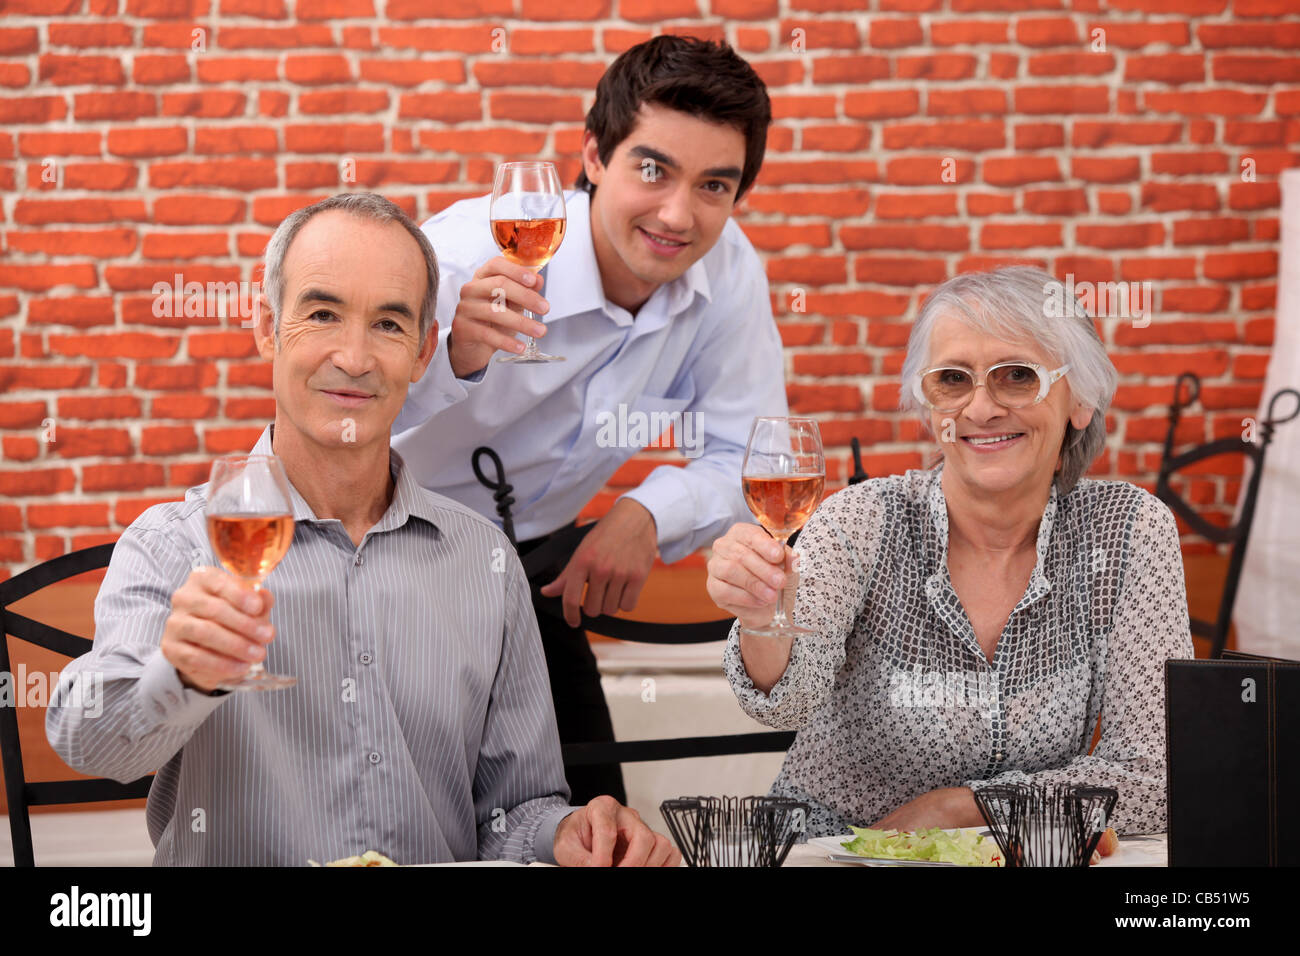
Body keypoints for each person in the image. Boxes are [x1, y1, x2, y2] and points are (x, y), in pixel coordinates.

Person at [45, 193, 679, 867]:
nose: (354, 356)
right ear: (267, 327)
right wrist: (179, 676)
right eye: (322, 314)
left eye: (388, 324)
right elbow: (90, 746)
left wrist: (565, 835)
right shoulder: (174, 544)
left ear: (422, 351)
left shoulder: (483, 560)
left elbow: (513, 810)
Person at [391, 36, 788, 804]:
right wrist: (456, 358)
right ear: (595, 156)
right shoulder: (468, 251)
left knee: (597, 819)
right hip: (388, 565)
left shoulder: (729, 269)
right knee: (414, 826)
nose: (679, 214)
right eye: (652, 169)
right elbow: (331, 411)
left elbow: (753, 455)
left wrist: (649, 512)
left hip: (536, 577)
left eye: (714, 185)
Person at [705, 266, 1195, 837]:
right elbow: (781, 707)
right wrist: (766, 620)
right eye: (953, 380)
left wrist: (964, 807)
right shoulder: (863, 520)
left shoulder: (1126, 530)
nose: (981, 409)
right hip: (837, 850)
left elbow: (1157, 778)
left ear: (1079, 400)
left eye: (1017, 377)